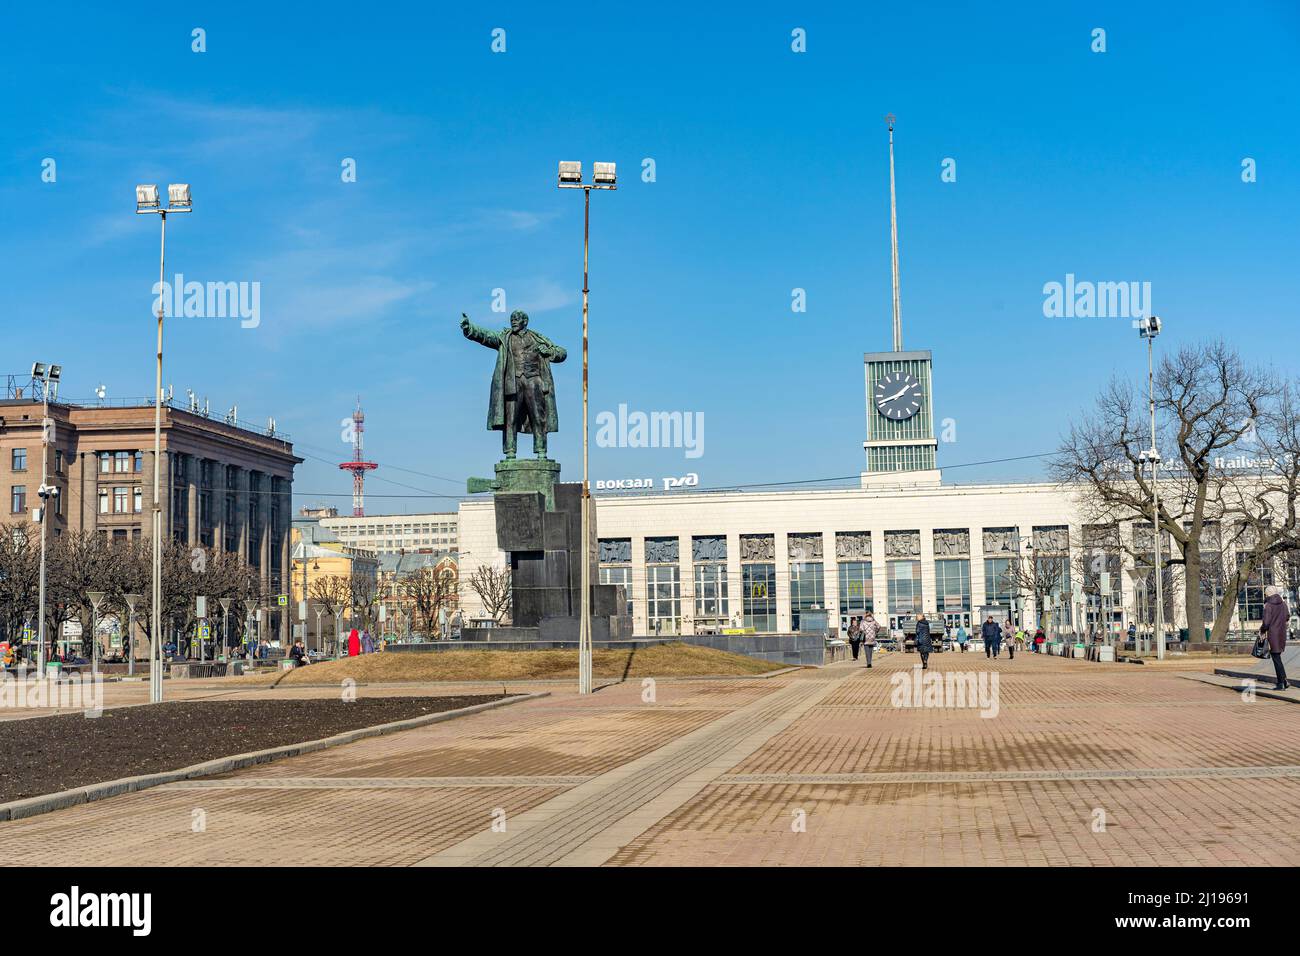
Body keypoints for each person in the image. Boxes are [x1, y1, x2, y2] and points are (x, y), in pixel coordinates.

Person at [1259, 585, 1290, 691]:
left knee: (1276, 658)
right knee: (1277, 657)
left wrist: (1262, 630)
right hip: (1282, 633)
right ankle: (1284, 681)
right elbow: (1287, 616)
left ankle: (1281, 683)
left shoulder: (1268, 605)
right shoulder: (1283, 604)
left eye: (1265, 594)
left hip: (1273, 634)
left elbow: (1266, 622)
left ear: (1268, 594)